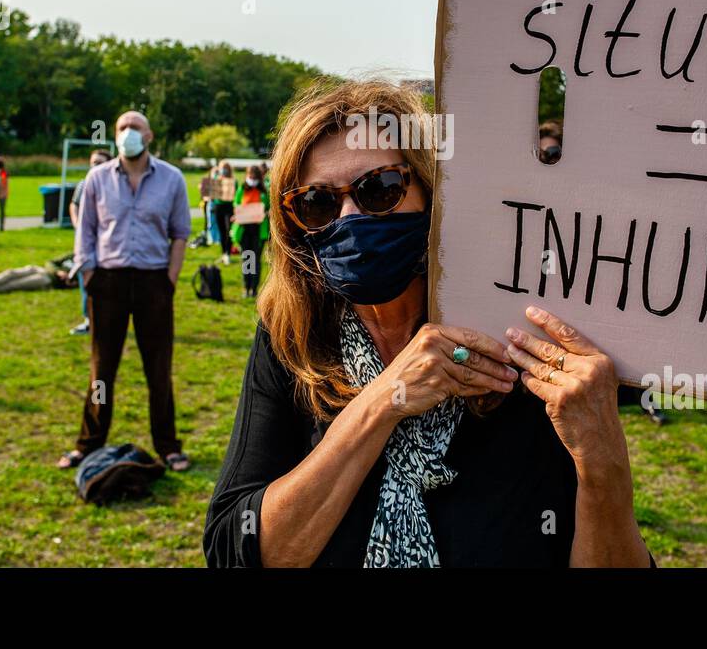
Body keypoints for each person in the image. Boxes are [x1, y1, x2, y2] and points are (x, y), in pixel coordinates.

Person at [203, 80, 651, 568]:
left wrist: (603, 463)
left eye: (380, 190)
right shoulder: (294, 338)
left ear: (431, 193)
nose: (351, 218)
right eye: (318, 203)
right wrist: (384, 401)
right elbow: (235, 550)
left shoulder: (523, 347)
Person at [59, 111, 192, 473]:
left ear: (148, 135)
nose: (127, 133)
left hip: (153, 282)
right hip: (108, 282)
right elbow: (84, 229)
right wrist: (88, 273)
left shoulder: (171, 178)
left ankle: (167, 445)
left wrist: (171, 278)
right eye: (121, 128)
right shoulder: (97, 179)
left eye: (134, 127)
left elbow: (180, 232)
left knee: (159, 368)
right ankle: (89, 444)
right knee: (102, 369)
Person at [68, 149, 112, 335]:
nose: (95, 166)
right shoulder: (84, 183)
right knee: (86, 279)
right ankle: (89, 319)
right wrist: (80, 227)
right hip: (87, 240)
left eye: (100, 162)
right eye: (93, 162)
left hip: (107, 241)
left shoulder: (114, 185)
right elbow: (74, 205)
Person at [0, 253, 79, 294]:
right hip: (42, 270)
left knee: (15, 284)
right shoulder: (72, 254)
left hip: (50, 281)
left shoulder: (86, 267)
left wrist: (71, 283)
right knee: (10, 273)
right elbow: (50, 262)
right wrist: (57, 271)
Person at [233, 164, 270, 298]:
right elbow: (236, 203)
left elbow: (270, 207)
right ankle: (246, 287)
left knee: (256, 260)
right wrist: (237, 213)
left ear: (259, 178)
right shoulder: (242, 189)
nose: (252, 179)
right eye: (250, 177)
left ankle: (254, 288)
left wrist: (265, 213)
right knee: (247, 258)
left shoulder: (264, 191)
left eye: (254, 177)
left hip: (258, 231)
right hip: (244, 230)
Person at [211, 161, 236, 264]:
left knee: (228, 230)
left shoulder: (233, 181)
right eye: (222, 168)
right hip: (218, 207)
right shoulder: (216, 179)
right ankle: (223, 253)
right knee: (221, 231)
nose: (223, 170)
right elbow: (211, 195)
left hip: (229, 208)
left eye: (225, 168)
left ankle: (228, 253)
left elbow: (235, 195)